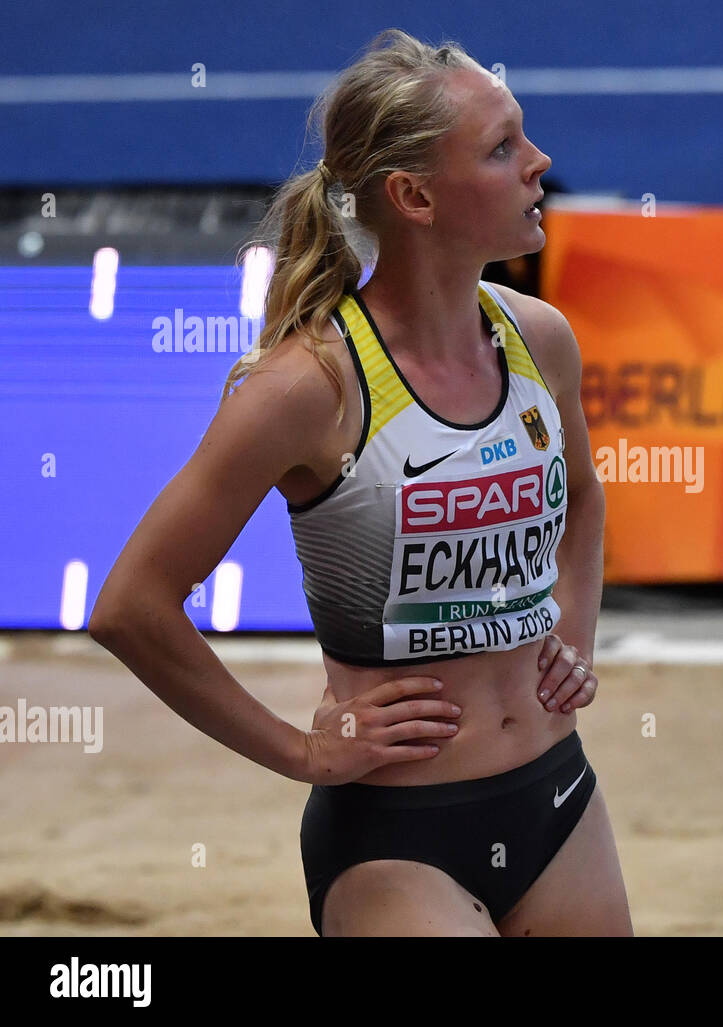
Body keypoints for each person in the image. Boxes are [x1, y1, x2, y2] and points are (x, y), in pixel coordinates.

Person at [88, 28, 633, 938]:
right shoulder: (308, 388)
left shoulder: (542, 339)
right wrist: (301, 750)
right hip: (397, 841)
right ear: (413, 196)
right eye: (502, 147)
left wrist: (571, 637)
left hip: (559, 799)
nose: (540, 163)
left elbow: (581, 499)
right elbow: (130, 604)